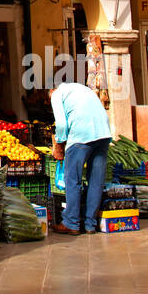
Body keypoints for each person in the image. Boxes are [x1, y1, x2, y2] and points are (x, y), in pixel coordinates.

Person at [50, 81, 112, 235]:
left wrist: (59, 145)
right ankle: (90, 224)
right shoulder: (82, 89)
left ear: (51, 92)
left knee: (72, 180)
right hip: (103, 132)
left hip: (81, 135)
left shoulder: (56, 95)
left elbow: (62, 125)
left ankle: (72, 223)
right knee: (96, 181)